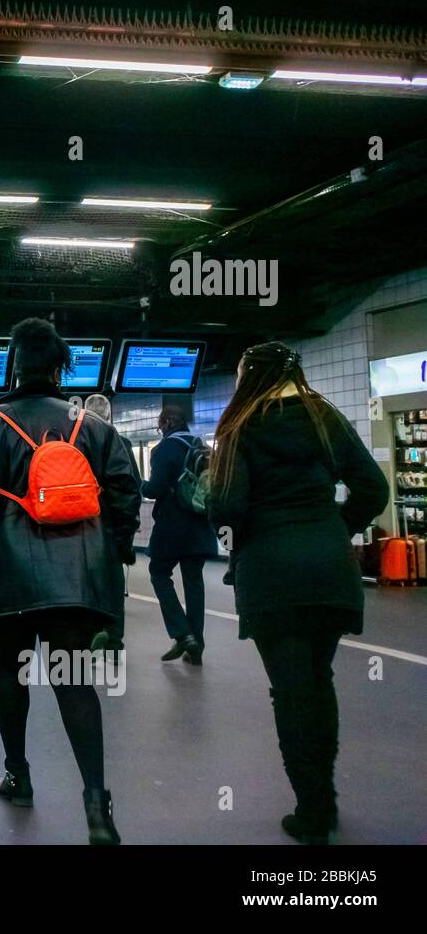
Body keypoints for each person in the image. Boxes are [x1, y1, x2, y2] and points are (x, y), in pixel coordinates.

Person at [0, 317, 141, 845]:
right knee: (75, 682)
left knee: (9, 670)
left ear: (15, 363)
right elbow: (124, 489)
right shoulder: (93, 427)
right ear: (60, 366)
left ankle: (19, 775)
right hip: (77, 575)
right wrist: (116, 550)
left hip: (7, 573)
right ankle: (97, 804)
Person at [207, 342, 387, 845]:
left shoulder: (240, 426)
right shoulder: (324, 416)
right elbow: (373, 488)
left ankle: (312, 810)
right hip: (331, 571)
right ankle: (324, 797)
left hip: (272, 575)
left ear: (249, 377)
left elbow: (226, 507)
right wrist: (335, 527)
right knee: (318, 680)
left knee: (289, 690)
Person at [142, 405, 220, 664]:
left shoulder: (164, 449)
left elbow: (154, 489)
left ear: (165, 423)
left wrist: (136, 483)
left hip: (172, 527)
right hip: (200, 525)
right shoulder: (203, 447)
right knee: (194, 583)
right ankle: (196, 647)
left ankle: (182, 632)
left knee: (159, 573)